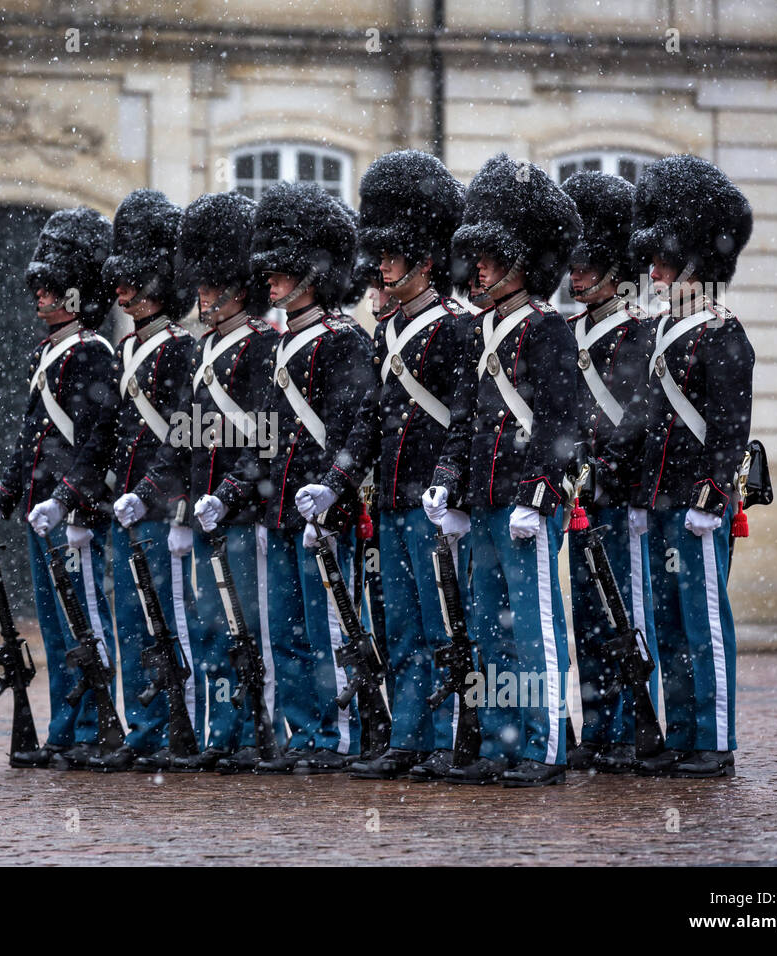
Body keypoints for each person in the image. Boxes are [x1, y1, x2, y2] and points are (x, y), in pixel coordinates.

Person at [294, 149, 475, 781]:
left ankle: (450, 737)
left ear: (423, 262)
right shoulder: (387, 333)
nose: (381, 270)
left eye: (392, 260)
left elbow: (463, 418)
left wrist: (448, 484)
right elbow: (368, 423)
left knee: (441, 625)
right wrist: (336, 481)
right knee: (397, 628)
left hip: (430, 501)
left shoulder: (455, 328)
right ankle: (408, 737)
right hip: (393, 501)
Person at [195, 181, 373, 774]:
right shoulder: (283, 345)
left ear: (311, 276)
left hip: (324, 511)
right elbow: (266, 440)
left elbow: (354, 428)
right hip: (282, 512)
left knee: (327, 630)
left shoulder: (343, 339)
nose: (267, 283)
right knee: (288, 634)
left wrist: (334, 484)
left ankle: (336, 733)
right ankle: (305, 732)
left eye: (281, 274)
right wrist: (228, 492)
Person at [429, 153, 582, 787]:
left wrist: (538, 491)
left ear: (523, 259)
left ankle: (543, 748)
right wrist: (450, 481)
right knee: (489, 633)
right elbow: (462, 419)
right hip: (484, 500)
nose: (480, 266)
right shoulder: (478, 331)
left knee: (534, 632)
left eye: (493, 255)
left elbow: (560, 422)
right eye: (479, 255)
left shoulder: (547, 330)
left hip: (522, 505)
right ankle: (499, 739)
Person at [33, 190, 197, 772]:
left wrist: (151, 496)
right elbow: (104, 438)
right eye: (119, 284)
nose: (122, 293)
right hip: (127, 509)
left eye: (133, 283)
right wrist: (71, 497)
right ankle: (147, 728)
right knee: (131, 624)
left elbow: (180, 438)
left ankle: (180, 726)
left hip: (158, 509)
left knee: (166, 625)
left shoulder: (179, 350)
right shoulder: (128, 349)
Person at [121, 191, 280, 772]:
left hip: (243, 514)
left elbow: (265, 438)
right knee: (211, 630)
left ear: (239, 287)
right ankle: (222, 731)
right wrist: (156, 495)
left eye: (212, 288)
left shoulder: (263, 345)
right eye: (202, 287)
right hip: (206, 514)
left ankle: (251, 733)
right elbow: (183, 439)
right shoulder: (205, 349)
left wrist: (230, 494)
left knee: (250, 631)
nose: (203, 298)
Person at [0, 207, 118, 770]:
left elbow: (94, 442)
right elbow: (32, 439)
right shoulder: (47, 352)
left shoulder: (92, 353)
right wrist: (6, 497)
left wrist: (66, 501)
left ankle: (93, 722)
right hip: (42, 513)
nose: (40, 298)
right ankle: (66, 725)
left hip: (71, 515)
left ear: (76, 294)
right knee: (55, 628)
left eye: (51, 289)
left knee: (84, 622)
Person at [627, 155, 754, 779]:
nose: (653, 273)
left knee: (704, 623)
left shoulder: (723, 333)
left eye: (664, 263)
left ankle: (713, 739)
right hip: (658, 499)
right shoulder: (660, 334)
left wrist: (711, 493)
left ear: (695, 264)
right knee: (669, 625)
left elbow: (730, 430)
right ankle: (680, 732)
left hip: (695, 502)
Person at [559, 170, 661, 775]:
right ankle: (597, 726)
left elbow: (635, 417)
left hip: (619, 495)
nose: (575, 277)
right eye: (572, 265)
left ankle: (628, 726)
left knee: (625, 614)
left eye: (587, 266)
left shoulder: (640, 334)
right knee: (588, 618)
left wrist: (603, 466)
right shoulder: (571, 332)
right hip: (579, 495)